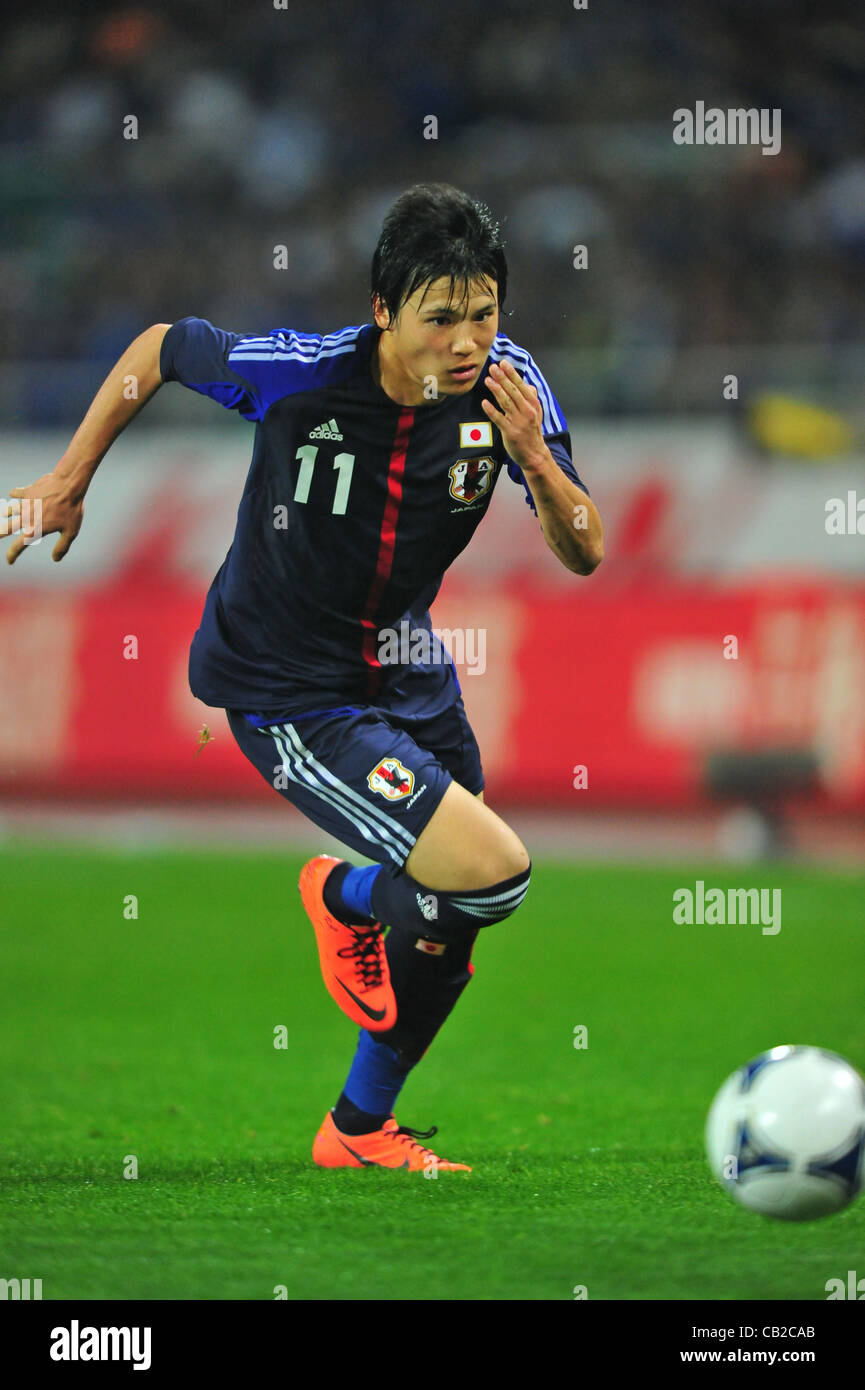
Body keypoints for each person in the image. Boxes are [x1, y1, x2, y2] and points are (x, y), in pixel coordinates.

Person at [3, 183, 603, 1173]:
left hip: (407, 667)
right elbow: (162, 345)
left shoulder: (512, 388)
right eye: (440, 317)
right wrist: (71, 479)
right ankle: (347, 899)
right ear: (384, 314)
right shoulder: (303, 376)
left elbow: (585, 550)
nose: (466, 341)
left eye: (484, 314)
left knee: (453, 904)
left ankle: (358, 1126)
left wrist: (536, 455)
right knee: (488, 875)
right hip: (289, 688)